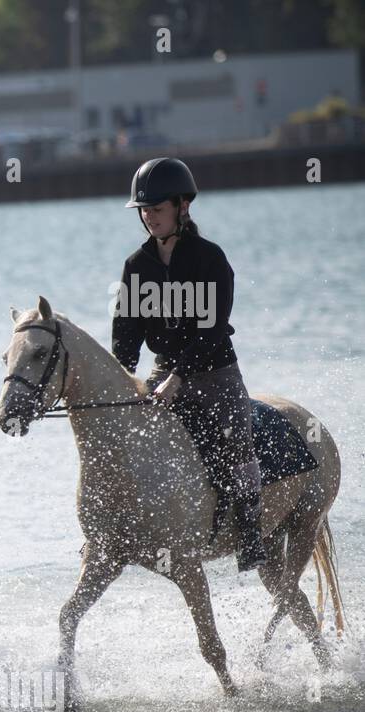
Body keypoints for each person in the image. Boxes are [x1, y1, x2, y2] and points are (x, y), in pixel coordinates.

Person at [111, 157, 268, 571]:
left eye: (157, 209)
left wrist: (179, 377)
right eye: (144, 210)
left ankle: (250, 533)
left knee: (238, 440)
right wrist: (122, 381)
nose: (149, 217)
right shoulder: (136, 266)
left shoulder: (211, 259)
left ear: (183, 207)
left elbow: (212, 329)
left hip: (215, 371)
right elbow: (126, 334)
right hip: (163, 372)